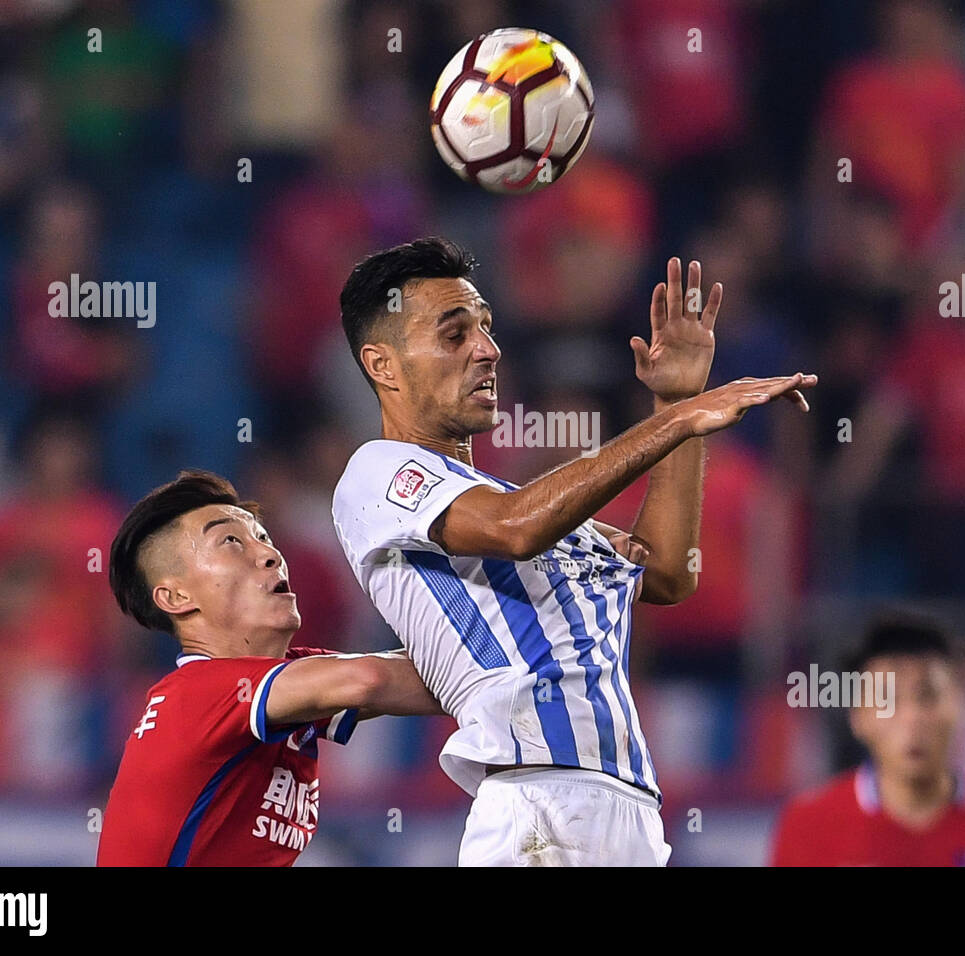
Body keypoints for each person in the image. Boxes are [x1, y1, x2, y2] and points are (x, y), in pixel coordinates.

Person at [331, 236, 816, 865]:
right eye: (455, 335)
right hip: (537, 801)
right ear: (383, 365)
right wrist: (678, 420)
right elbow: (515, 528)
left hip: (630, 808)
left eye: (486, 328)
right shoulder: (377, 474)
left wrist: (676, 402)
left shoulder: (528, 506)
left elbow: (667, 574)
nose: (488, 350)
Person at [97, 470, 443, 866]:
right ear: (176, 597)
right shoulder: (197, 693)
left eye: (263, 537)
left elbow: (429, 679)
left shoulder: (280, 679)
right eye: (230, 542)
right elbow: (370, 680)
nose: (270, 555)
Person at [770, 615, 965, 866]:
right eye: (888, 700)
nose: (912, 717)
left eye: (928, 696)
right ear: (858, 717)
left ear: (960, 706)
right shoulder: (808, 826)